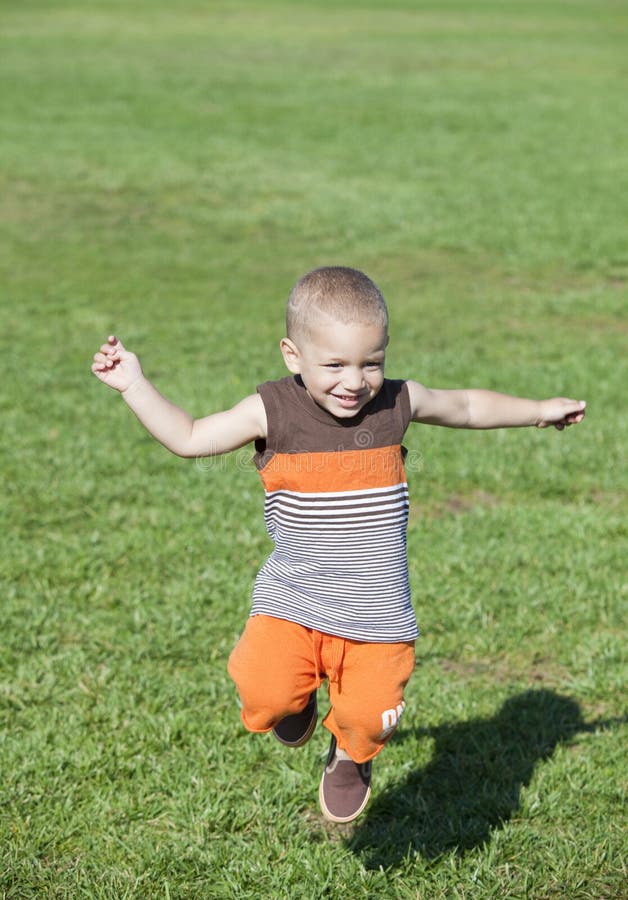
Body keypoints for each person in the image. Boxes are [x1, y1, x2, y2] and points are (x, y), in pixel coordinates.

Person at [92, 266, 586, 824]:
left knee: (371, 718)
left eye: (370, 363)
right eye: (335, 365)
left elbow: (467, 406)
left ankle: (351, 754)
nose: (355, 381)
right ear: (292, 355)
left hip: (379, 614)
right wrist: (133, 384)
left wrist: (538, 411)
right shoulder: (271, 412)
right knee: (264, 690)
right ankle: (296, 700)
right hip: (294, 602)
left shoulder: (396, 402)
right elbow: (188, 438)